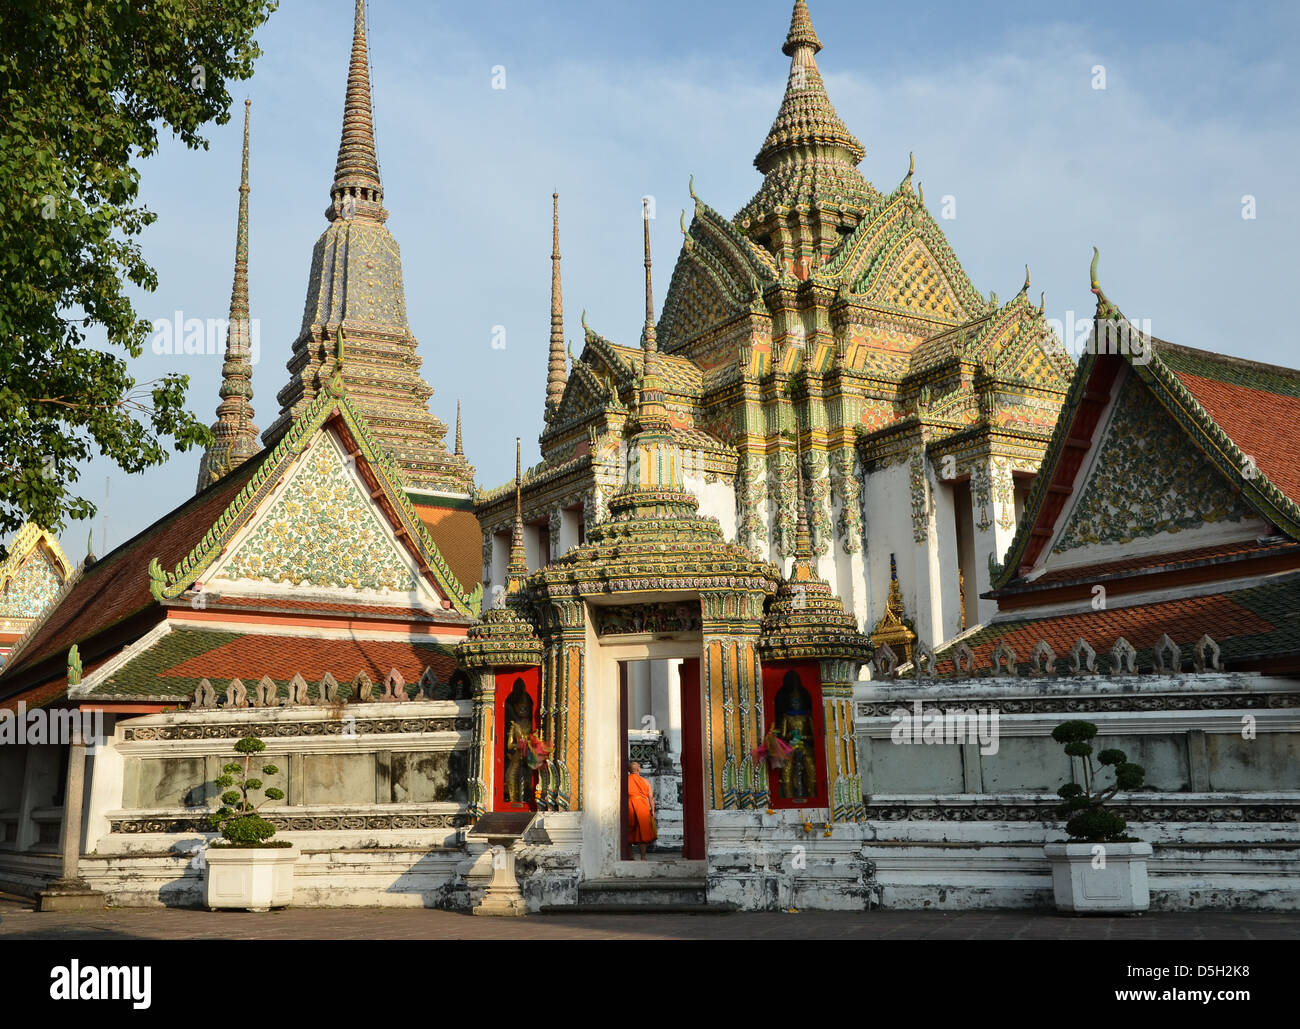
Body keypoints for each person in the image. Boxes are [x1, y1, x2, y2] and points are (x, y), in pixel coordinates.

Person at [627, 761, 656, 859]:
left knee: (629, 830)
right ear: (639, 769)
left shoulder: (625, 781)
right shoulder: (645, 781)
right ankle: (643, 857)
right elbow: (651, 797)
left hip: (629, 805)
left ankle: (630, 855)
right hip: (642, 807)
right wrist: (652, 810)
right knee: (642, 831)